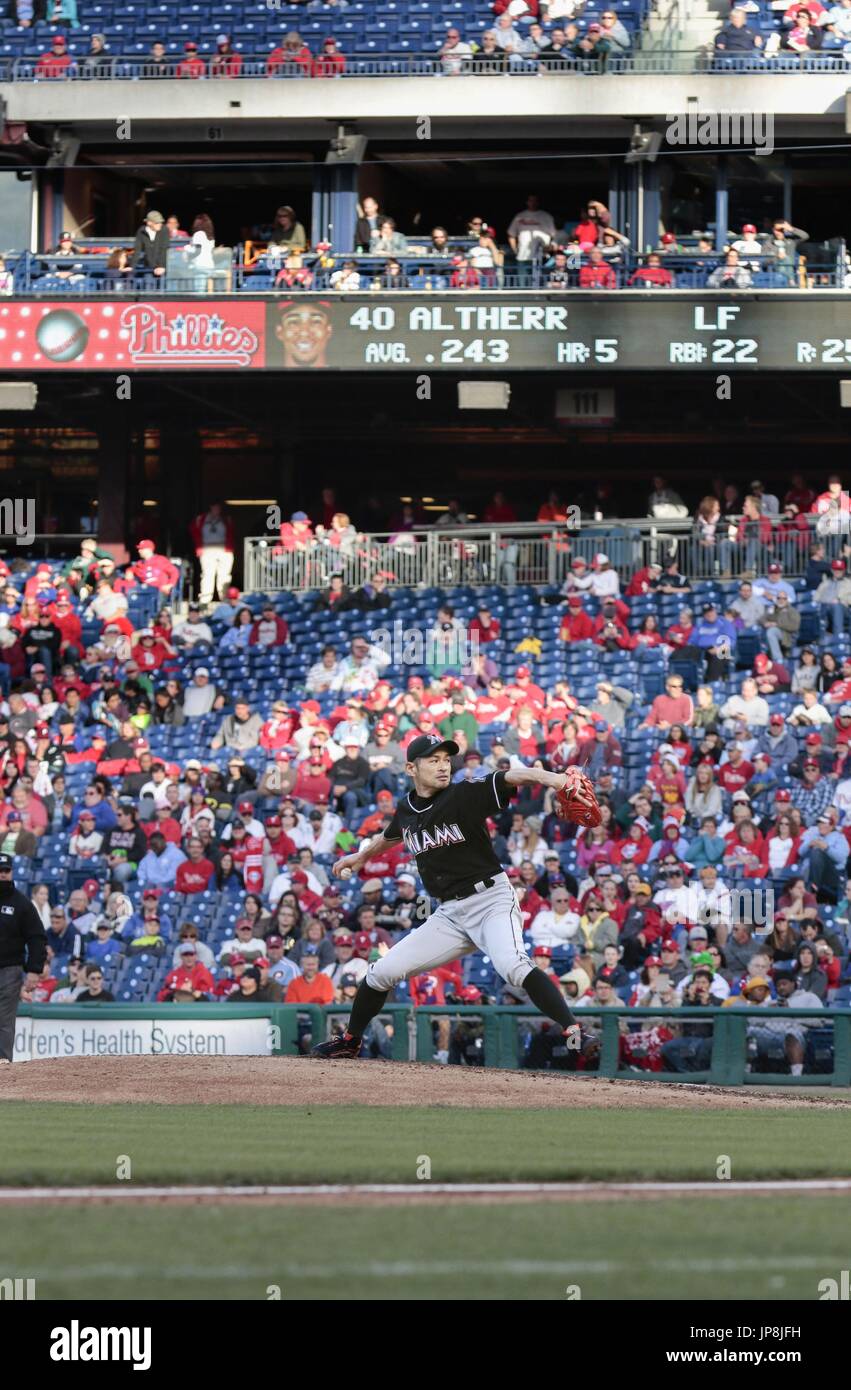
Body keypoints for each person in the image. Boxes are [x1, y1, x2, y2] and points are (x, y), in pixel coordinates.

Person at [312, 735, 599, 1059]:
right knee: (381, 972)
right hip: (450, 913)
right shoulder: (407, 808)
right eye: (433, 760)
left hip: (491, 900)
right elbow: (392, 834)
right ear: (410, 768)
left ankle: (575, 1030)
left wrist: (556, 779)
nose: (443, 766)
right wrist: (361, 857)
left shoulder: (463, 794)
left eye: (446, 760)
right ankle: (351, 1040)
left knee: (513, 966)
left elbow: (514, 776)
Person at [0, 853, 47, 1063]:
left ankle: (2, 1066)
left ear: (11, 872)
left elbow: (37, 937)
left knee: (4, 1020)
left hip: (9, 970)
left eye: (6, 871)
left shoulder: (22, 903)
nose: (2, 875)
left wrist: (34, 969)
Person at [131, 210, 169, 285]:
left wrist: (162, 266)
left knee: (163, 290)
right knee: (148, 289)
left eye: (161, 222)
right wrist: (132, 266)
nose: (160, 224)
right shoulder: (141, 231)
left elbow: (164, 249)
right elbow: (137, 250)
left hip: (162, 267)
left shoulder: (164, 230)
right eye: (157, 222)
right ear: (149, 223)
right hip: (148, 267)